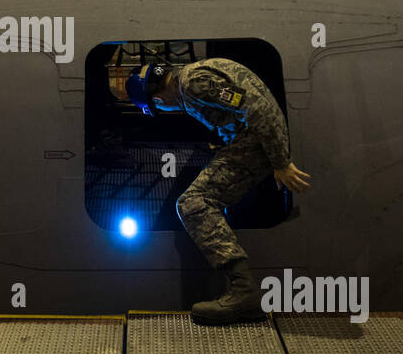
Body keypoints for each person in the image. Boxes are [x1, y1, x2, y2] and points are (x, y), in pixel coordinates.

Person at [115, 58, 311, 324]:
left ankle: (244, 293)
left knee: (194, 203)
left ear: (158, 99)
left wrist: (280, 162)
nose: (163, 107)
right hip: (249, 140)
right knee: (205, 195)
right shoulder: (191, 79)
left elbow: (257, 107)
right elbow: (237, 108)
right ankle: (243, 293)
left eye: (157, 105)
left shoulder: (194, 83)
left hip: (255, 143)